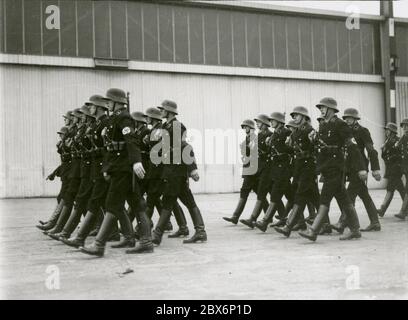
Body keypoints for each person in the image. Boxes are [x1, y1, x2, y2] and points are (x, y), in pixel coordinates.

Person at [80, 88, 153, 256]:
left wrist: (136, 161)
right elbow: (110, 148)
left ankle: (99, 245)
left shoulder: (124, 118)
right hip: (118, 168)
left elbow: (131, 140)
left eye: (109, 101)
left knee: (112, 204)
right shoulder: (115, 118)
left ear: (117, 102)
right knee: (137, 204)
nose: (107, 104)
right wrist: (107, 168)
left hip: (124, 169)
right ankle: (145, 241)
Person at [298, 97, 367, 242]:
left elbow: (353, 146)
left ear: (331, 109)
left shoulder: (340, 125)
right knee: (345, 200)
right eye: (320, 108)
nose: (321, 110)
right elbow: (321, 147)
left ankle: (313, 231)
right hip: (326, 167)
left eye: (323, 107)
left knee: (325, 198)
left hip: (337, 167)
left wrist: (361, 168)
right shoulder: (323, 126)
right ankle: (355, 230)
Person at [151, 100, 207, 245]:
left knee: (168, 201)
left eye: (163, 109)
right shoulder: (166, 126)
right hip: (171, 170)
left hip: (175, 171)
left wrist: (192, 168)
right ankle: (200, 231)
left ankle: (157, 235)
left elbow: (184, 147)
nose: (161, 111)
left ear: (169, 111)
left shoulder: (176, 126)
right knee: (187, 201)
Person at [331, 108, 382, 233]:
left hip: (360, 169)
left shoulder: (363, 131)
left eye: (349, 118)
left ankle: (342, 223)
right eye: (345, 118)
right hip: (349, 168)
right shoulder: (345, 131)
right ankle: (375, 222)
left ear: (355, 119)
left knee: (349, 195)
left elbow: (371, 150)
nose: (347, 120)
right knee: (364, 195)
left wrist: (375, 169)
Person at [274, 106, 321, 237]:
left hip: (308, 167)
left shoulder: (310, 130)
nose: (294, 117)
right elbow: (289, 150)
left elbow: (317, 148)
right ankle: (326, 224)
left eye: (297, 115)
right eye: (293, 116)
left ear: (304, 117)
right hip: (299, 168)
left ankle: (288, 226)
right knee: (315, 197)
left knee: (300, 195)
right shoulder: (295, 132)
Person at [251, 112, 292, 232]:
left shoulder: (286, 132)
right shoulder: (274, 134)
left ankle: (265, 221)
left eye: (273, 120)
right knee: (291, 196)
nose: (271, 122)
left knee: (275, 194)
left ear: (279, 121)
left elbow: (291, 149)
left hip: (284, 168)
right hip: (276, 169)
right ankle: (297, 220)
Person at [222, 119, 260, 225]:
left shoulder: (255, 138)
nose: (244, 129)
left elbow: (255, 153)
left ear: (250, 127)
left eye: (246, 127)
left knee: (248, 192)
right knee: (258, 194)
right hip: (249, 169)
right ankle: (235, 216)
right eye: (243, 127)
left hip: (253, 170)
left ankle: (235, 216)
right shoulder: (248, 138)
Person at [377, 122, 405, 217]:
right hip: (390, 169)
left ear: (392, 132)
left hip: (396, 169)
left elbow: (399, 155)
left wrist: (386, 147)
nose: (386, 132)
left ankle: (382, 209)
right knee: (400, 189)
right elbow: (385, 155)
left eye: (387, 130)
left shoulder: (397, 140)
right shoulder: (387, 141)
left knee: (390, 189)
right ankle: (405, 209)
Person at [395, 118, 408, 220]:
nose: (405, 128)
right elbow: (397, 147)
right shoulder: (403, 137)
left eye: (407, 126)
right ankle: (403, 211)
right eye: (404, 126)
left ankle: (403, 211)